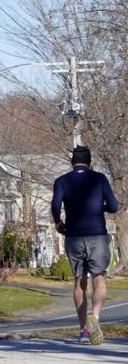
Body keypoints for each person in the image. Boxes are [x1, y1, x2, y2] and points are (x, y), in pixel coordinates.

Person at [52, 145, 121, 345]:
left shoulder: (62, 181)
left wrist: (58, 222)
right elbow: (114, 206)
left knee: (79, 282)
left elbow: (55, 205)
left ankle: (83, 330)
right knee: (99, 279)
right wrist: (100, 207)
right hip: (97, 235)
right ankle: (95, 316)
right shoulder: (99, 179)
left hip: (74, 236)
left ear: (72, 162)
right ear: (89, 162)